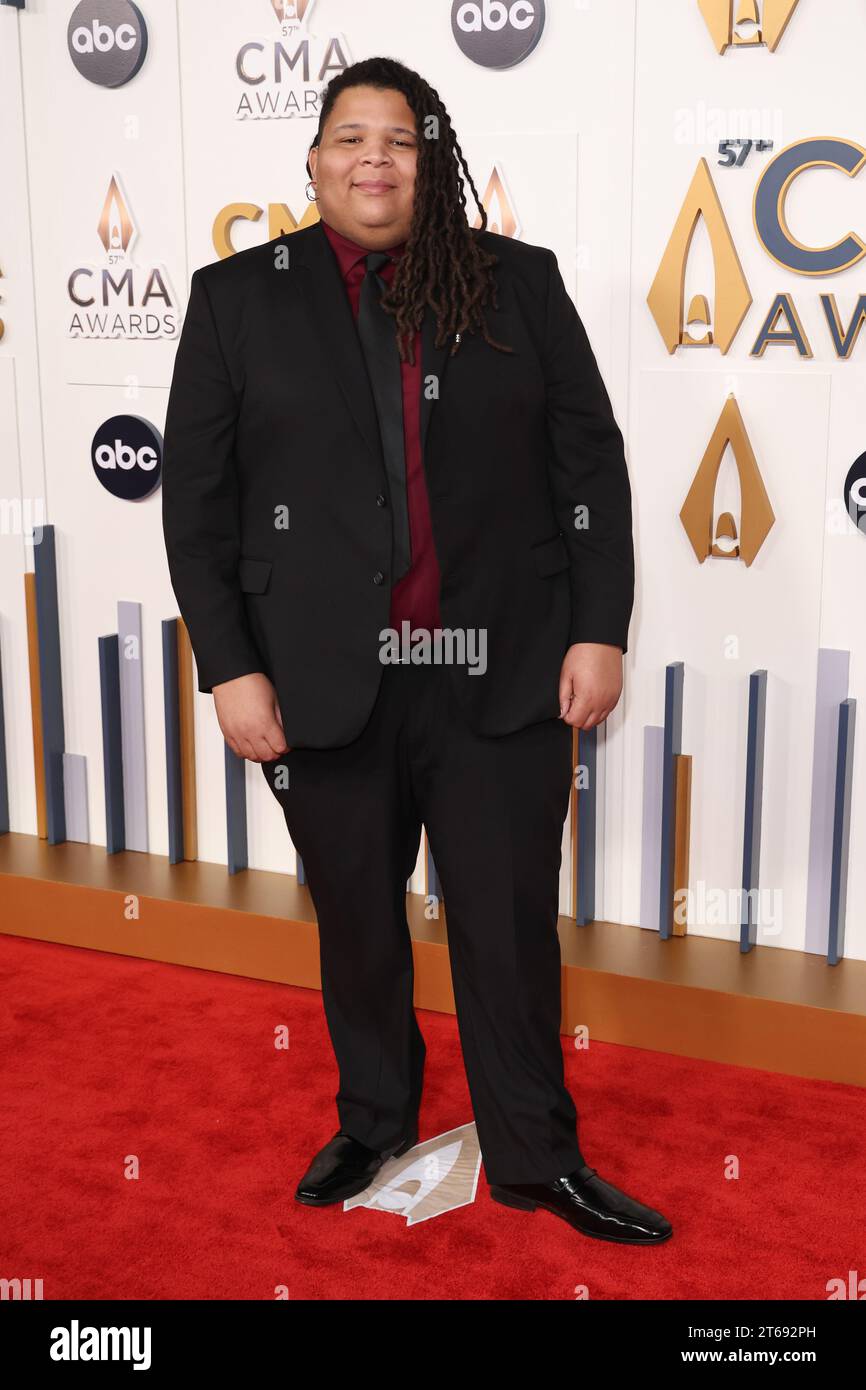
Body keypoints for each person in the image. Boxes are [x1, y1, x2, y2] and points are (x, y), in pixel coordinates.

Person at [162, 56, 672, 1245]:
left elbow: (586, 470)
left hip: (495, 672)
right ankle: (375, 1114)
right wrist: (230, 667)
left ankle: (536, 1156)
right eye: (350, 137)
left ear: (428, 159)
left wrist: (598, 628)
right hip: (321, 681)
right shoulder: (238, 297)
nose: (374, 157)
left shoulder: (517, 284)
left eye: (399, 137)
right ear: (313, 162)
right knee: (356, 920)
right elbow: (198, 504)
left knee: (503, 925)